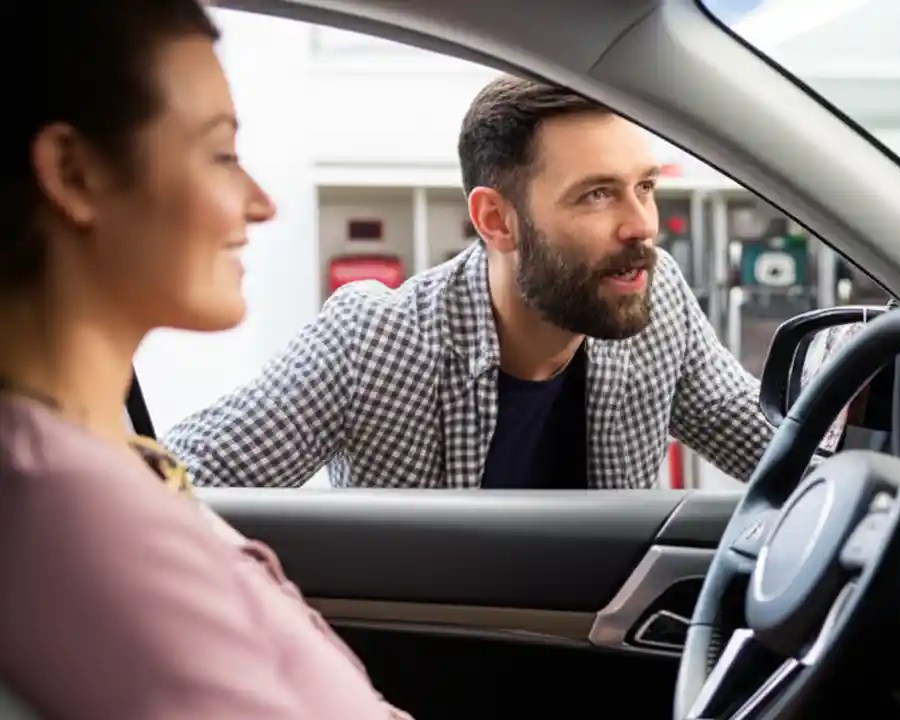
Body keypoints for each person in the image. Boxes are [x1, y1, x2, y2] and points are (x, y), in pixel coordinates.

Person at [0, 2, 411, 717]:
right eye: (221, 154)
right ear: (72, 173)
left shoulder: (101, 461)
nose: (260, 204)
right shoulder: (73, 513)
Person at [163, 75, 777, 490]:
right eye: (597, 195)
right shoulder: (375, 343)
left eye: (644, 187)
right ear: (495, 220)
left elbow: (781, 454)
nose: (641, 225)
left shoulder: (656, 299)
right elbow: (179, 486)